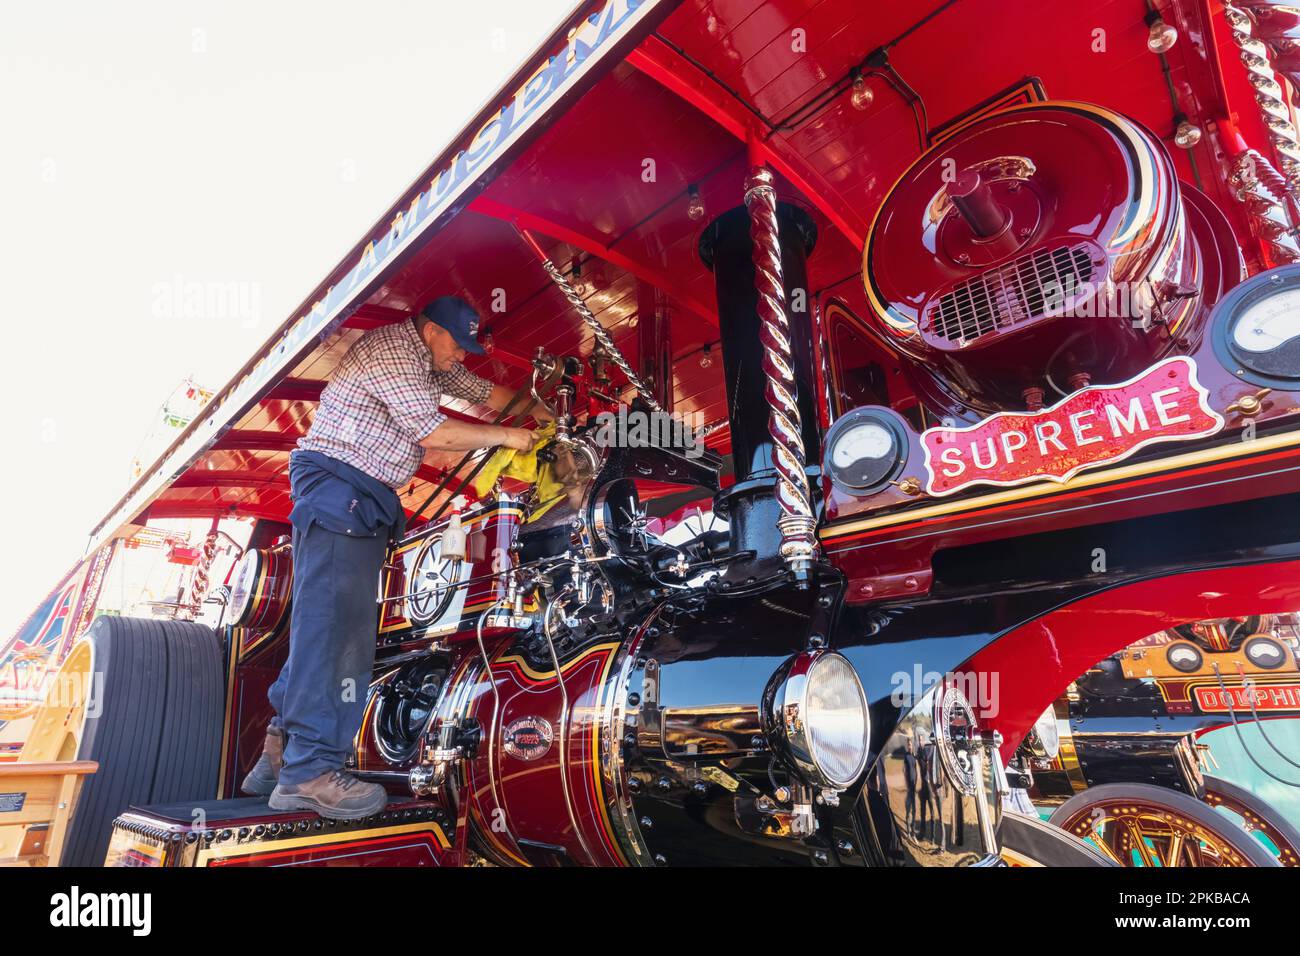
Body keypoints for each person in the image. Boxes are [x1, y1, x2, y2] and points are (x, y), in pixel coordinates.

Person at [239, 295, 545, 819]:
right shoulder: (395, 354)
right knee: (340, 634)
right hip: (342, 491)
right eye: (458, 345)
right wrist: (512, 435)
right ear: (429, 330)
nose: (462, 357)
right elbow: (434, 433)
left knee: (323, 626)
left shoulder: (430, 361)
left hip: (354, 499)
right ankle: (308, 774)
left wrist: (536, 406)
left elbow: (483, 390)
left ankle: (278, 751)